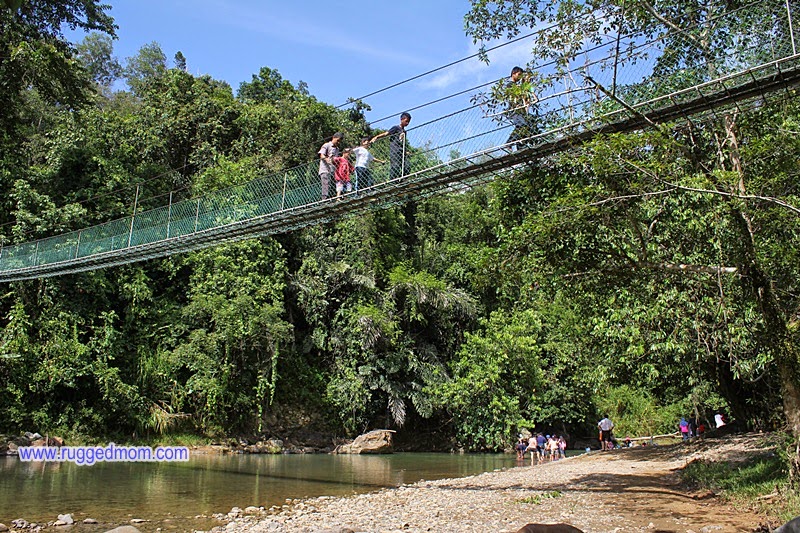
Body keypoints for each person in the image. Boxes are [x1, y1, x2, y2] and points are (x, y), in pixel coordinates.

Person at [504, 66, 539, 149]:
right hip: (515, 110)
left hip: (520, 110)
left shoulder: (518, 86)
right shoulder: (510, 85)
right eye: (519, 75)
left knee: (525, 128)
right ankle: (509, 143)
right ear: (513, 74)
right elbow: (513, 97)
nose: (519, 77)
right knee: (521, 126)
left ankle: (520, 147)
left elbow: (526, 95)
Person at [371, 112, 411, 181]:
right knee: (395, 166)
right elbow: (386, 133)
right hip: (395, 151)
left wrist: (405, 151)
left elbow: (403, 143)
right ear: (402, 119)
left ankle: (403, 179)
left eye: (408, 122)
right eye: (406, 121)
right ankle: (392, 181)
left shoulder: (404, 132)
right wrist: (376, 137)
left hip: (402, 151)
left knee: (407, 166)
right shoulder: (395, 128)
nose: (407, 123)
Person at [318, 132, 343, 200]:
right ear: (333, 138)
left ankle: (332, 198)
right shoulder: (327, 145)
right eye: (337, 140)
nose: (338, 142)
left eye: (340, 141)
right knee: (326, 184)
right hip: (325, 169)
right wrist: (327, 159)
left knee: (332, 185)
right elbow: (321, 154)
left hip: (332, 170)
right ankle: (325, 200)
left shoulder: (337, 149)